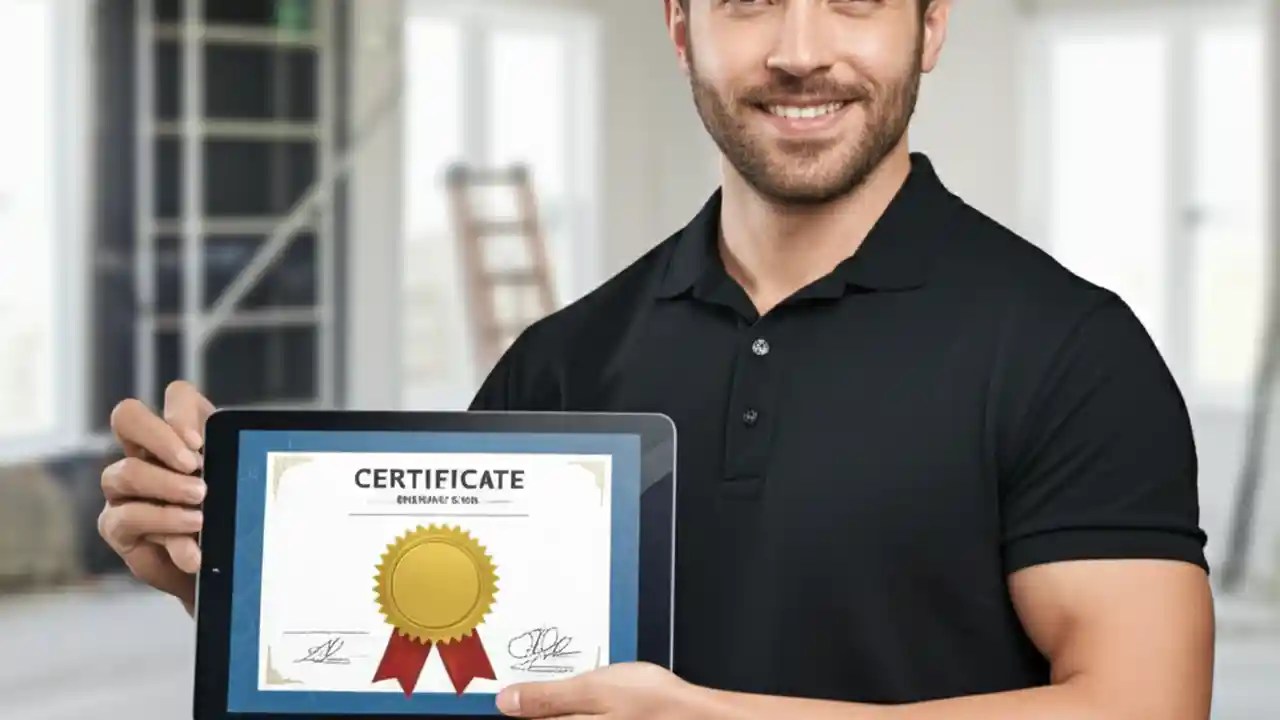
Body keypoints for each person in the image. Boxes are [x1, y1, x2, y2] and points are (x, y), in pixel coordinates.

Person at [99, 0, 1215, 718]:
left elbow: (1144, 701)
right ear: (680, 27)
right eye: (747, 2)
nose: (797, 49)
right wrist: (243, 594)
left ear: (928, 28)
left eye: (853, 1)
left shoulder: (1071, 350)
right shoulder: (562, 360)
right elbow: (475, 683)